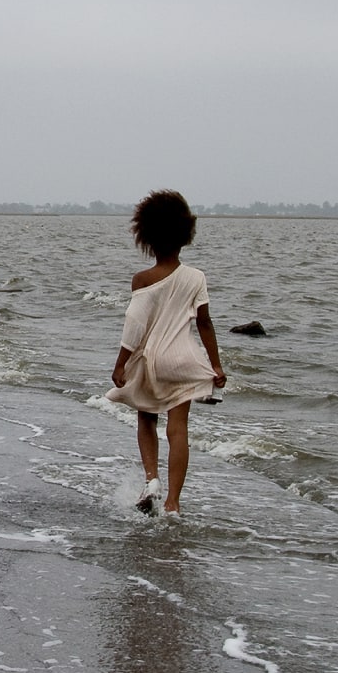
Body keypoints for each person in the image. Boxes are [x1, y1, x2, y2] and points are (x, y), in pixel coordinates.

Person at [106, 190, 225, 515]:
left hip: (150, 361)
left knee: (146, 418)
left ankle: (152, 481)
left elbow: (134, 324)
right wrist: (216, 365)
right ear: (185, 234)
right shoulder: (196, 278)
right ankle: (173, 503)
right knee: (178, 429)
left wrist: (120, 365)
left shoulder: (142, 279)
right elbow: (204, 323)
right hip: (183, 359)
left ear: (147, 238)